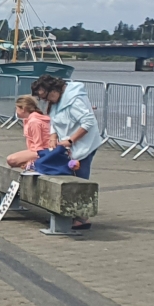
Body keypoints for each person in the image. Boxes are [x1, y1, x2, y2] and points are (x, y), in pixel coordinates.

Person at [32, 74, 102, 229]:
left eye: (47, 96)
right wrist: (53, 136)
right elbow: (54, 120)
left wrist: (71, 140)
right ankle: (68, 213)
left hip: (83, 145)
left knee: (80, 179)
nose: (47, 100)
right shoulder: (57, 100)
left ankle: (82, 217)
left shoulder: (74, 100)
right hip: (68, 145)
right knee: (68, 176)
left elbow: (88, 122)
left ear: (54, 89)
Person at [7, 95, 55, 169]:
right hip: (38, 150)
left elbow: (39, 145)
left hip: (43, 151)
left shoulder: (34, 122)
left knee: (11, 160)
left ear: (23, 109)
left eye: (17, 108)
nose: (16, 111)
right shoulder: (30, 119)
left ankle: (36, 163)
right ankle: (32, 162)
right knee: (14, 159)